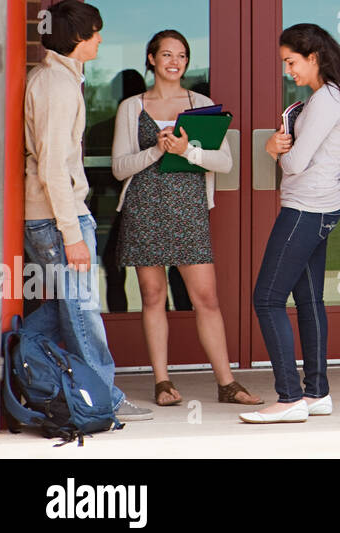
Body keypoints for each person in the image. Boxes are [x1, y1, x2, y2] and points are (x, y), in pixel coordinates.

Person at [111, 29, 261, 407]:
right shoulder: (132, 107)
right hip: (144, 209)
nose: (174, 62)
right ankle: (162, 382)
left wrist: (186, 150)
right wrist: (156, 151)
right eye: (166, 55)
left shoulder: (201, 103)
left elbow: (224, 162)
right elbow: (118, 168)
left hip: (189, 209)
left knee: (206, 298)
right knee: (152, 297)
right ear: (151, 59)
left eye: (181, 56)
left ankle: (226, 383)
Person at [21, 0, 152, 422]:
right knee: (82, 311)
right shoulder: (57, 86)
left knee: (68, 309)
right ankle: (104, 401)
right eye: (95, 31)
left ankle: (21, 355)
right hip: (60, 218)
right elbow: (53, 166)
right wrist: (72, 233)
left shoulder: (59, 79)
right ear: (77, 37)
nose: (100, 38)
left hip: (57, 215)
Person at [242, 23, 340, 424]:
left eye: (291, 62)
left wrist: (273, 148)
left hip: (304, 209)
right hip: (322, 207)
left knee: (267, 299)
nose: (288, 71)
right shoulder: (336, 96)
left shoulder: (326, 99)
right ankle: (316, 393)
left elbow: (295, 163)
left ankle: (289, 397)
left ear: (313, 57)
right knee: (310, 299)